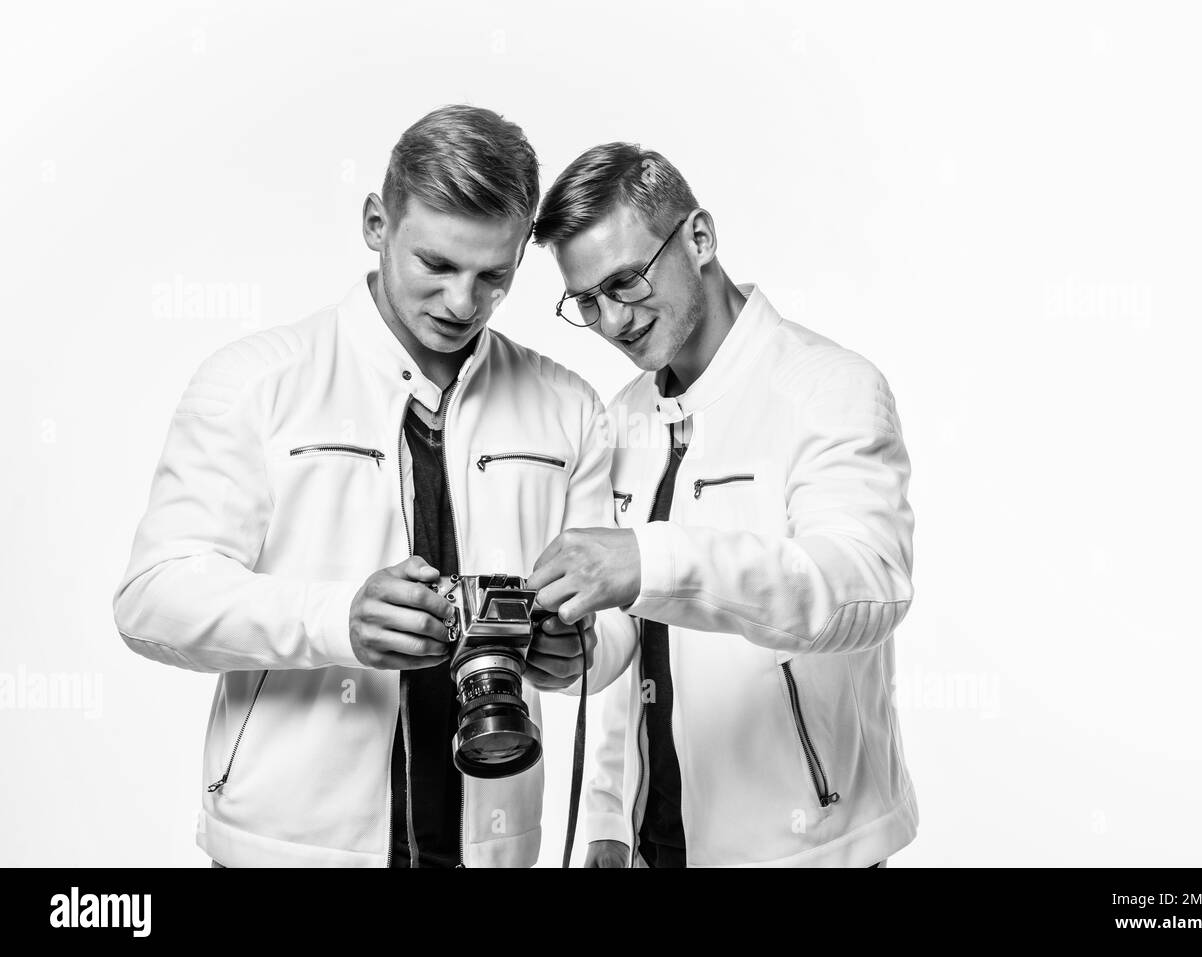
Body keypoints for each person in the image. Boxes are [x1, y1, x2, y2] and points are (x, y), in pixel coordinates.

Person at [113, 105, 633, 868]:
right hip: (286, 850)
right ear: (375, 222)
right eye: (437, 265)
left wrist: (577, 649)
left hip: (492, 842)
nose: (462, 302)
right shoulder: (254, 382)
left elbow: (615, 624)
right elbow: (151, 598)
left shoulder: (569, 406)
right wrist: (335, 619)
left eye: (494, 275)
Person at [527, 143, 918, 867]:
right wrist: (608, 811)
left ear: (699, 238)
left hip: (804, 849)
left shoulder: (830, 388)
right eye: (587, 300)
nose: (612, 321)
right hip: (651, 846)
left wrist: (650, 557)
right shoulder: (621, 417)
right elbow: (631, 637)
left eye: (626, 281)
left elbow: (866, 584)